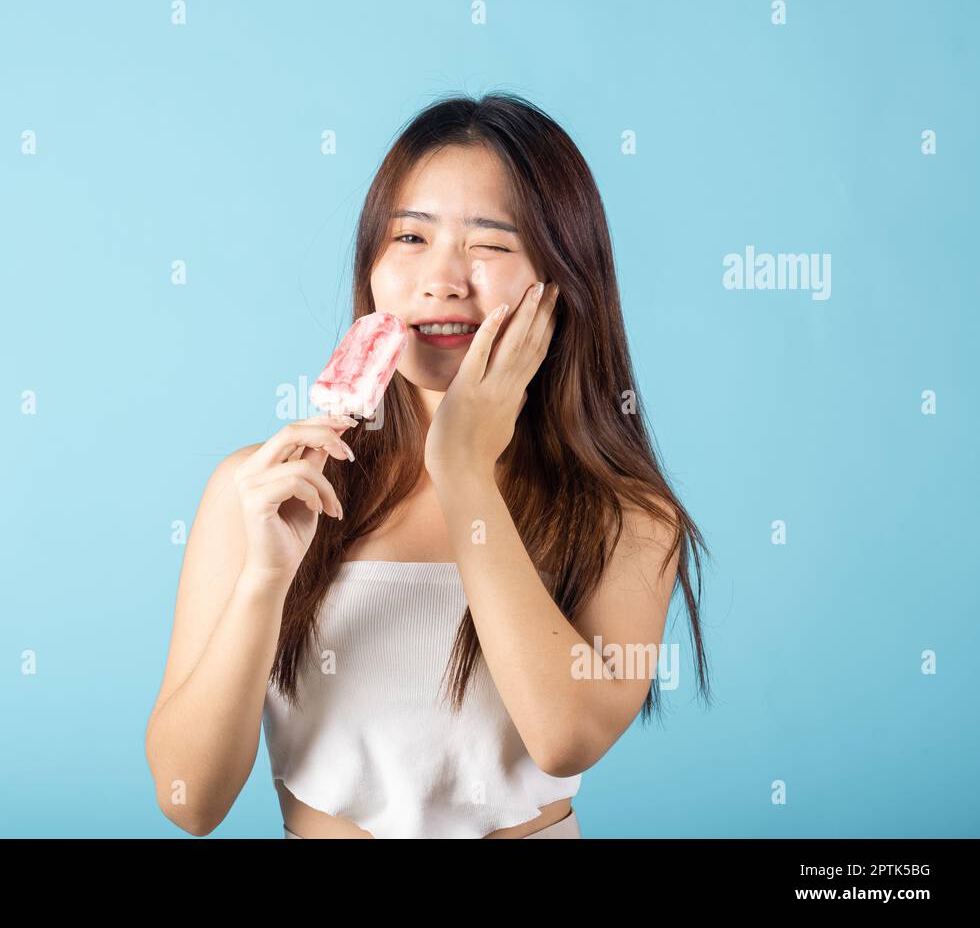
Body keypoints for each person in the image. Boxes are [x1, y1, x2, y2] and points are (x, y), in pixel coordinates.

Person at [146, 92, 712, 838]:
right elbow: (191, 802)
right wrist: (263, 580)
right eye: (409, 237)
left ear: (564, 281)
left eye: (492, 243)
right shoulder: (256, 491)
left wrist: (464, 470)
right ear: (371, 267)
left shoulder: (629, 517)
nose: (442, 279)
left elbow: (566, 735)